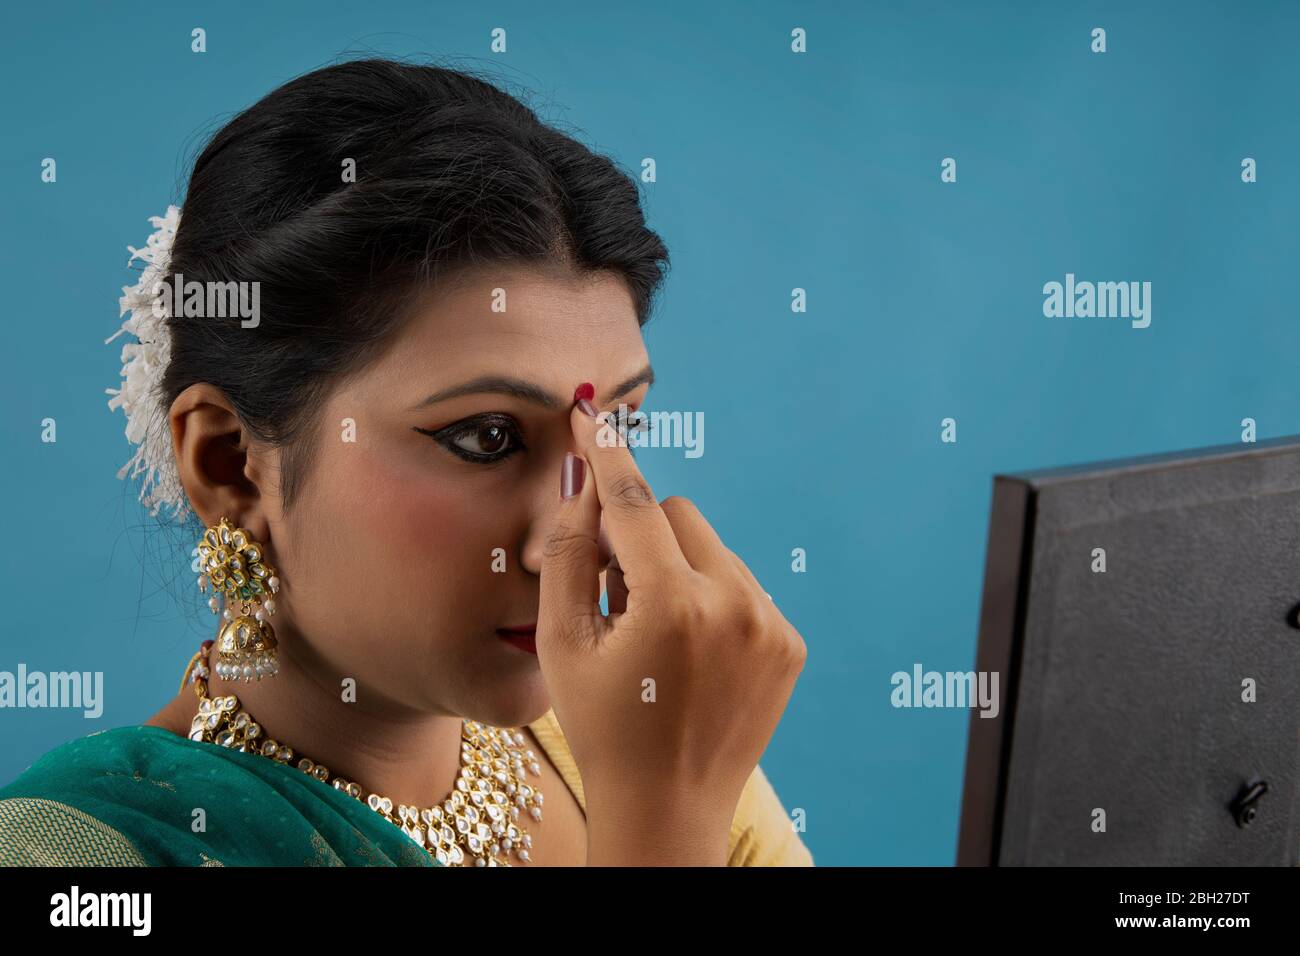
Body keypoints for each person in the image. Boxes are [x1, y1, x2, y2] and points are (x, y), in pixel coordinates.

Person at [0, 58, 812, 867]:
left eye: (615, 426)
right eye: (487, 437)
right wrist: (660, 826)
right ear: (229, 463)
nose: (578, 538)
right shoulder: (87, 855)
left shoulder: (646, 737)